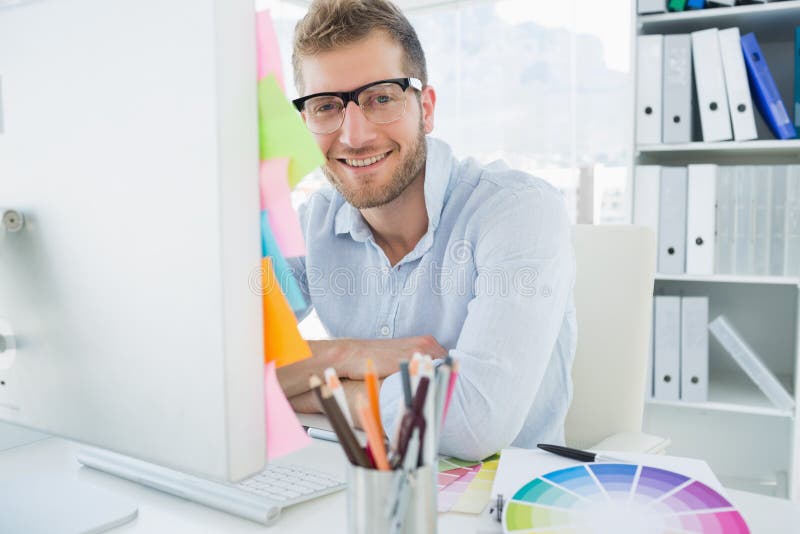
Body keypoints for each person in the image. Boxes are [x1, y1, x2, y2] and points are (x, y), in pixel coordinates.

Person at [277, 0, 576, 461]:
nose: (354, 136)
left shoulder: (519, 210)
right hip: (362, 479)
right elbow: (228, 364)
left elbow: (474, 424)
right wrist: (345, 357)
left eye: (381, 97)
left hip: (504, 499)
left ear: (426, 108)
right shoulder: (312, 220)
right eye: (325, 106)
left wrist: (326, 391)